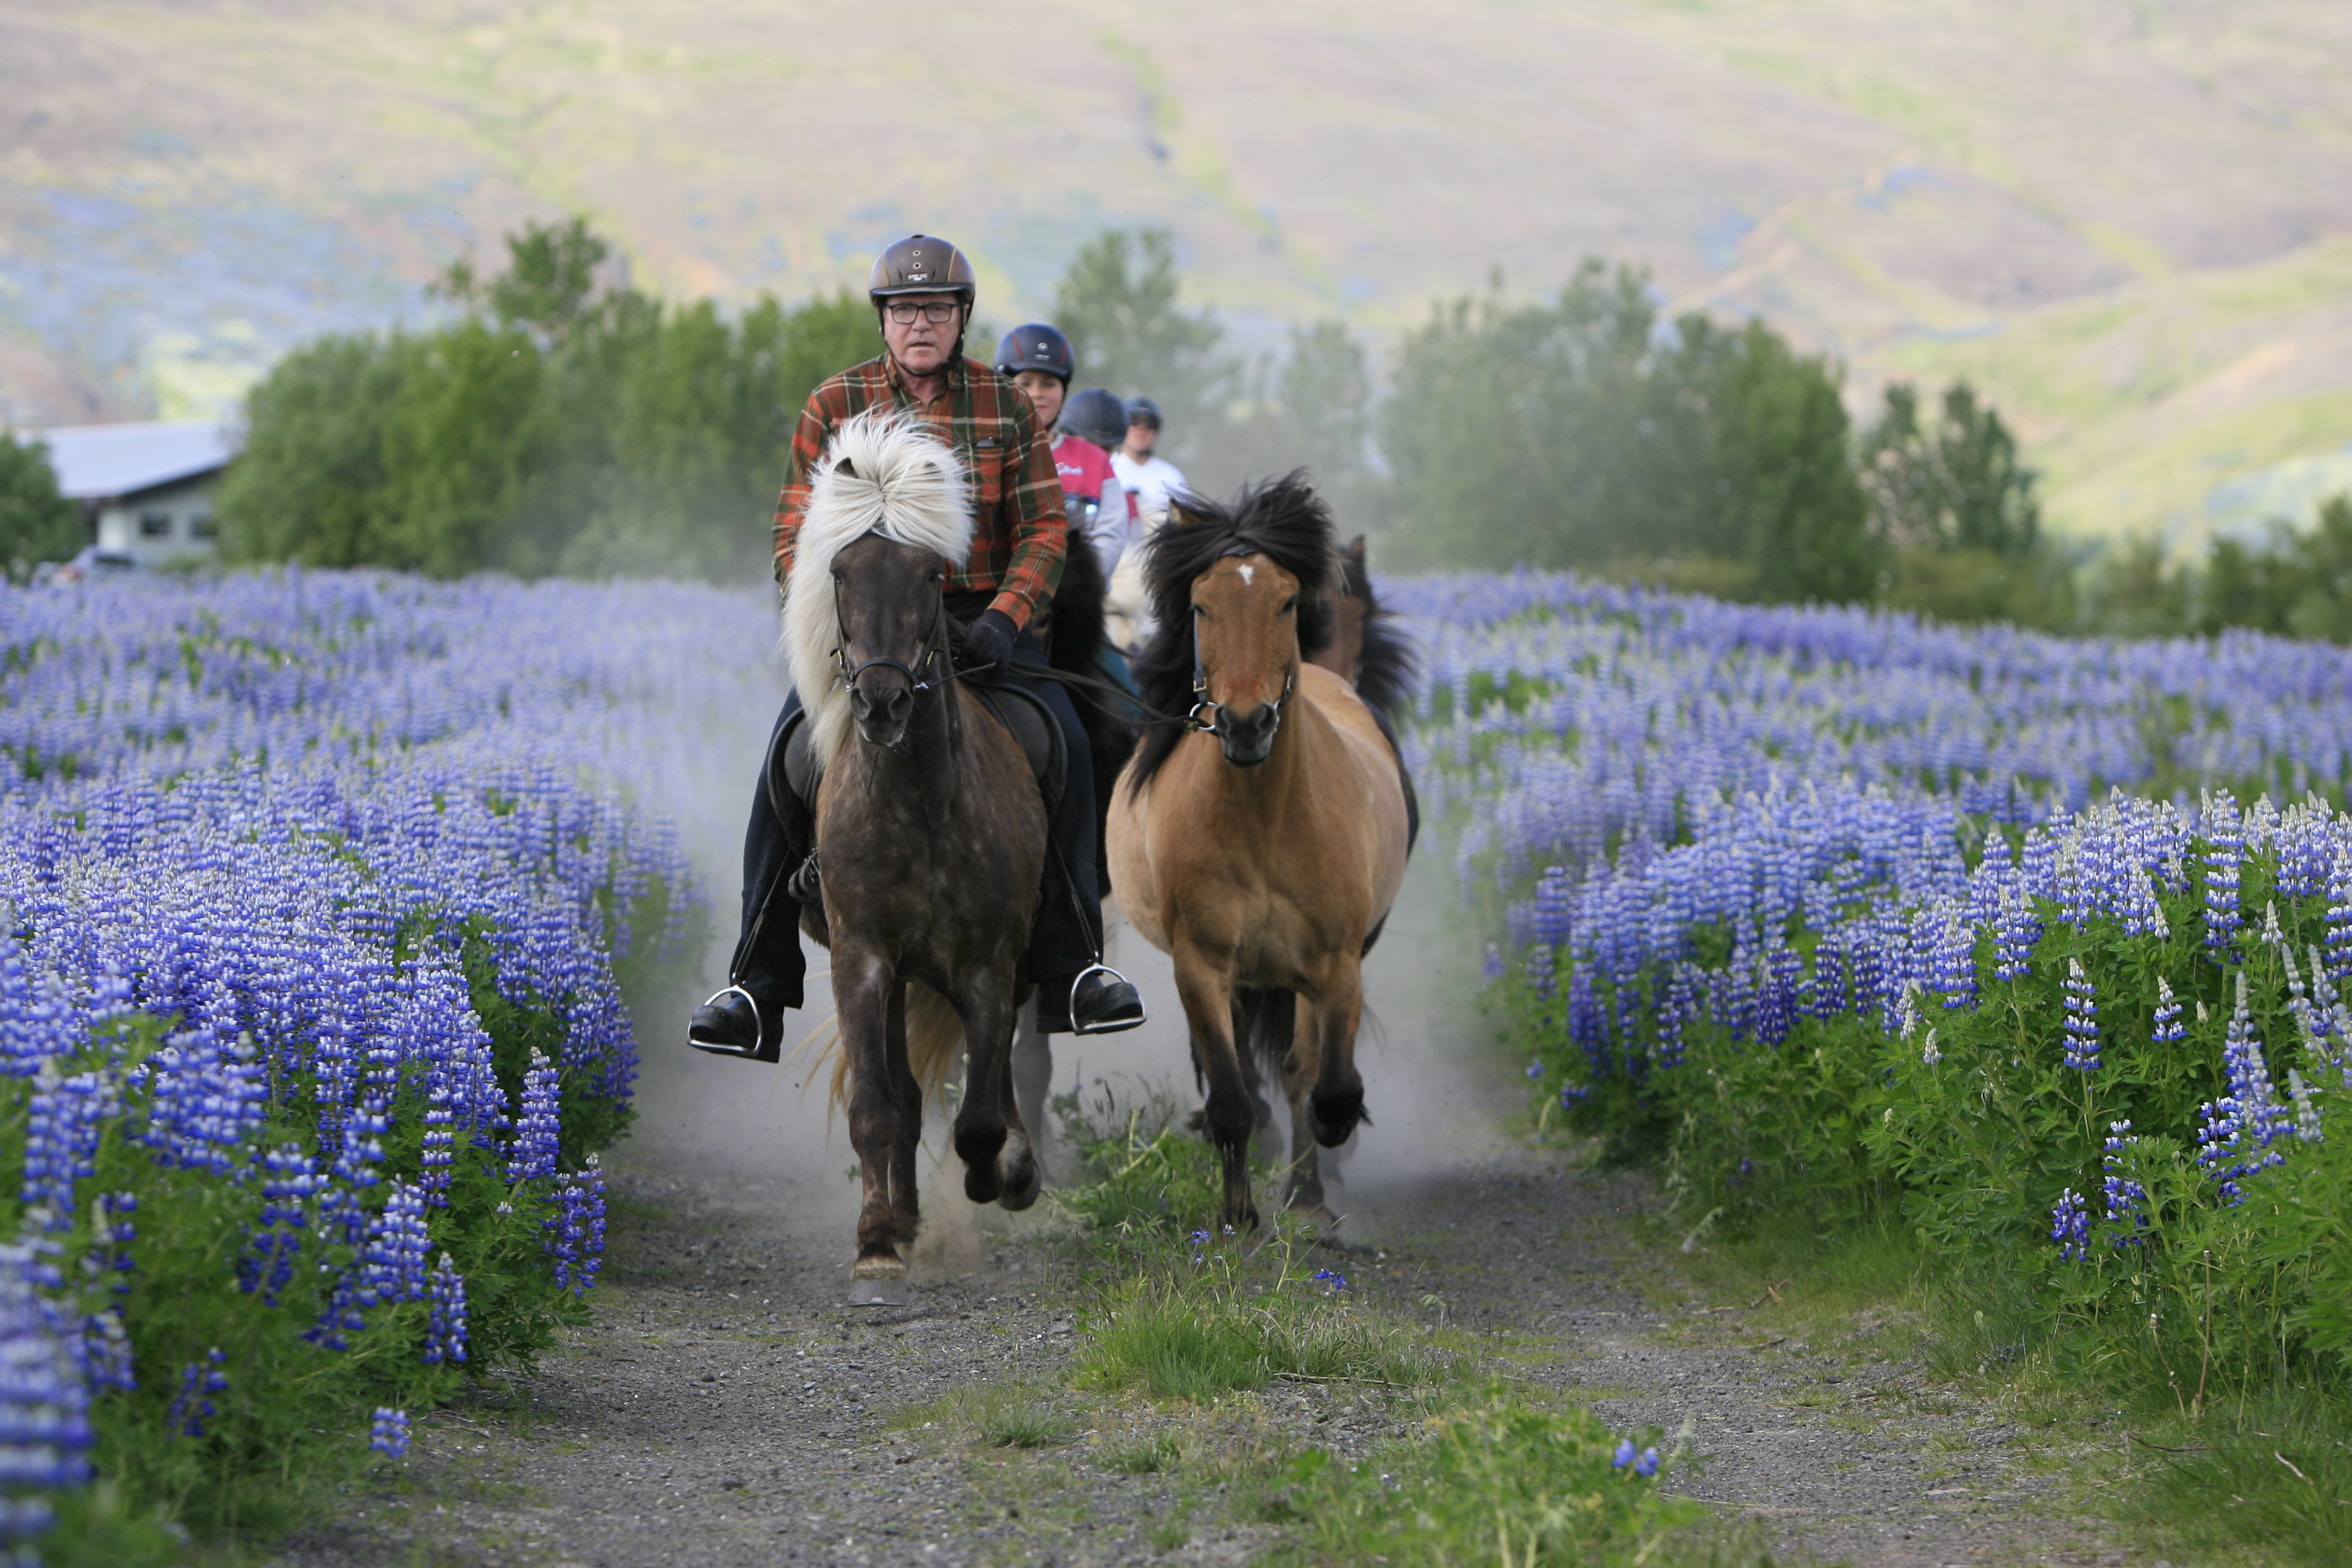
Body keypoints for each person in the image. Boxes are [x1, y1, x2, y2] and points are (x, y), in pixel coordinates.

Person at [689, 235, 1145, 1061]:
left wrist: (1006, 619)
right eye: (905, 309)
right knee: (787, 757)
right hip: (871, 626)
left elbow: (1044, 526)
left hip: (979, 624)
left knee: (1068, 744)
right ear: (884, 320)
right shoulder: (835, 404)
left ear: (962, 317)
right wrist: (841, 624)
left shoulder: (1002, 407)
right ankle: (757, 977)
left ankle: (1074, 962)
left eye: (937, 308)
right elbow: (795, 532)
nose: (920, 323)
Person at [993, 326, 1130, 582]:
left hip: (1072, 600)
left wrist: (1078, 584)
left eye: (1049, 384)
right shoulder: (984, 452)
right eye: (1025, 383)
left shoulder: (1095, 460)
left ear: (1064, 390)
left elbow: (1110, 535)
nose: (1037, 393)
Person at [1112, 395, 1189, 526]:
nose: (1141, 430)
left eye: (1149, 425)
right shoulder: (1108, 468)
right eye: (1134, 422)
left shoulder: (1172, 476)